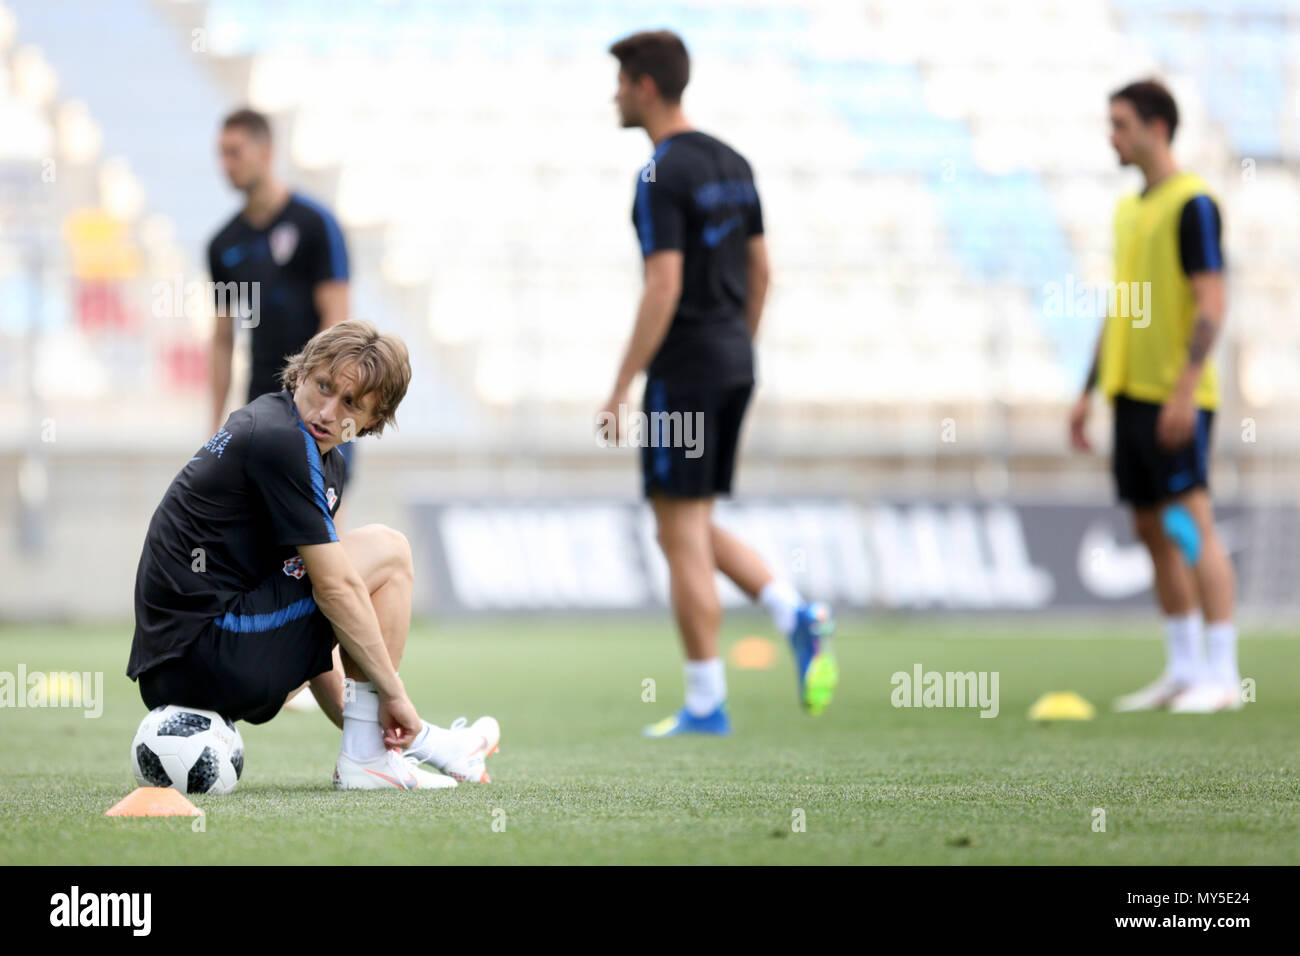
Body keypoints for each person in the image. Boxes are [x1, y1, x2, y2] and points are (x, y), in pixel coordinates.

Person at [127, 320, 499, 788]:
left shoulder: (306, 448)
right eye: (322, 386)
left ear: (373, 422)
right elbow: (335, 588)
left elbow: (309, 615)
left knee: (341, 572)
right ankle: (385, 757)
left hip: (180, 667)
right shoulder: (283, 440)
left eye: (350, 404)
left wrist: (384, 727)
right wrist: (397, 698)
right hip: (208, 653)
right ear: (300, 374)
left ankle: (389, 754)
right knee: (388, 551)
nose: (326, 411)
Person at [601, 30, 837, 738]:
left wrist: (620, 387)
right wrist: (738, 348)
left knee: (677, 531)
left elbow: (663, 285)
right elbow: (762, 272)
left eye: (618, 81)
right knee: (694, 519)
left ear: (645, 86)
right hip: (735, 358)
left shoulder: (659, 173)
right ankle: (794, 611)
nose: (613, 94)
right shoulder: (733, 161)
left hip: (688, 366)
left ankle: (707, 701)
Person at [1071, 79, 1240, 713]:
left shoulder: (1193, 204)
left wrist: (1185, 391)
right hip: (1129, 394)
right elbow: (1121, 305)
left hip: (1177, 394)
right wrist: (1087, 391)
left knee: (1191, 522)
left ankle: (1223, 676)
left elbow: (1211, 301)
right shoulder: (1128, 209)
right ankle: (1184, 666)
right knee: (1149, 527)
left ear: (1156, 128)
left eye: (1120, 124)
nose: (1111, 136)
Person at [207, 108, 358, 477]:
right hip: (261, 408)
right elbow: (223, 340)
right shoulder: (224, 245)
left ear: (266, 151)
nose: (226, 164)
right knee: (261, 532)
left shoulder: (314, 225)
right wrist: (214, 428)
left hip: (319, 410)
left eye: (235, 152)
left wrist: (319, 401)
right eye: (221, 153)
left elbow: (337, 323)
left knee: (322, 527)